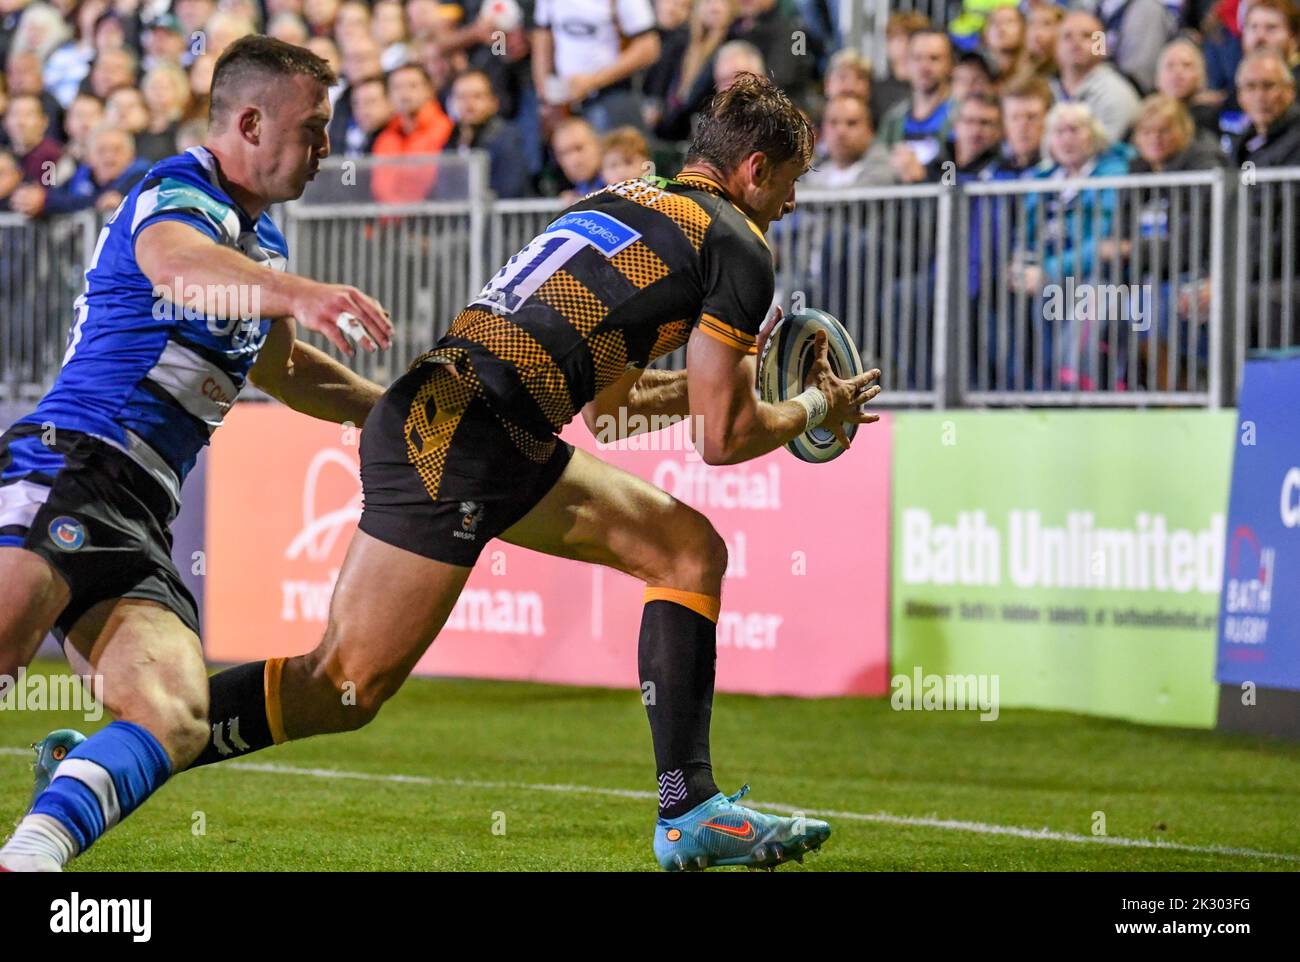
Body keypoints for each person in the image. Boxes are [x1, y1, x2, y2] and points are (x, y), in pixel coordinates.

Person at [165, 74, 881, 873]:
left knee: (686, 551)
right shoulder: (741, 244)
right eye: (790, 180)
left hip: (481, 425)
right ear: (754, 168)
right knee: (342, 686)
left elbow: (614, 410)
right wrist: (817, 406)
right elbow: (725, 436)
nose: (789, 201)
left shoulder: (622, 202)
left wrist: (745, 388)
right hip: (463, 440)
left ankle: (690, 810)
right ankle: (128, 752)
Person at [0, 34, 394, 874]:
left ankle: (29, 862)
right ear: (250, 121)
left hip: (140, 514)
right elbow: (179, 271)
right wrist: (305, 295)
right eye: (315, 128)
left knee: (176, 715)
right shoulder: (176, 192)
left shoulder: (264, 246)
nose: (328, 149)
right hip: (71, 464)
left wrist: (388, 411)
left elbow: (285, 371)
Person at [1051, 10, 1141, 143]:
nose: (1076, 42)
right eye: (1067, 36)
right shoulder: (1047, 89)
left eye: (1087, 36)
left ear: (1101, 47)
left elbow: (1106, 149)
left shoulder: (1117, 94)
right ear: (1056, 47)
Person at [449, 68, 531, 198]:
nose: (468, 104)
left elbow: (510, 189)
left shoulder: (508, 138)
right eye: (461, 97)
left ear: (494, 102)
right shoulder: (450, 140)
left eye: (477, 96)